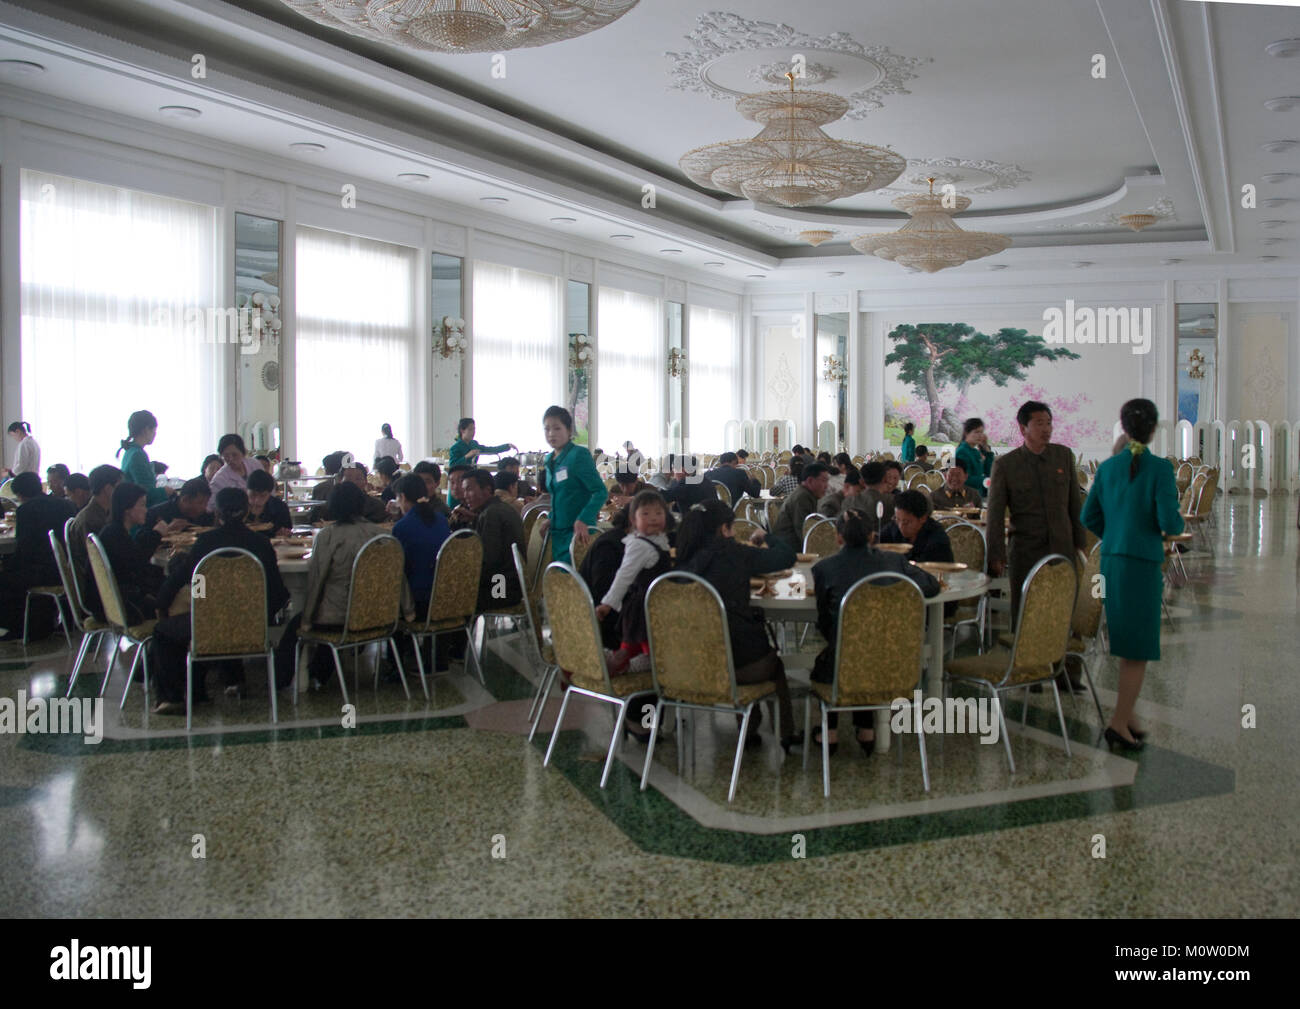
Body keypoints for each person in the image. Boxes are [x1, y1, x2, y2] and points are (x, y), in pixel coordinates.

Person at [1081, 399, 1184, 751]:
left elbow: (1088, 516)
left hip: (1112, 561)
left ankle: (1130, 716)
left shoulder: (1109, 468)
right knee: (1136, 649)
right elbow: (1170, 522)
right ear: (1153, 430)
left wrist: (1115, 534)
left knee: (1126, 641)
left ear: (1123, 428)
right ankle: (1118, 723)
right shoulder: (1159, 469)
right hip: (1141, 563)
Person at [151, 487, 291, 713]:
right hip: (252, 626)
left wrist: (163, 604)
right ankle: (234, 680)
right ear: (246, 512)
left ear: (217, 513)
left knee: (164, 631)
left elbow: (180, 579)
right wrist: (262, 612)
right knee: (227, 612)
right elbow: (278, 594)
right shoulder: (261, 544)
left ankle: (173, 697)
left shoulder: (205, 542)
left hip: (209, 624)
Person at [676, 500, 802, 752]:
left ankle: (749, 727)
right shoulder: (736, 554)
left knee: (736, 643)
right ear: (724, 529)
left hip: (693, 663)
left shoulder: (683, 562)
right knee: (770, 661)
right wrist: (767, 536)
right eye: (732, 528)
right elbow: (786, 557)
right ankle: (785, 734)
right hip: (743, 665)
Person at [810, 510, 939, 752]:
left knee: (840, 652)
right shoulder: (894, 562)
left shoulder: (824, 568)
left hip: (843, 664)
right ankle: (867, 729)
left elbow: (826, 622)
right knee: (871, 647)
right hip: (894, 663)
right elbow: (931, 586)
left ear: (838, 537)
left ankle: (830, 731)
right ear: (873, 536)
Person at [986, 401, 1088, 693]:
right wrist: (996, 555)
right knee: (1026, 611)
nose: (1046, 429)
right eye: (1039, 424)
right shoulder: (1006, 465)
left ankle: (1068, 674)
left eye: (1049, 422)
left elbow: (1073, 504)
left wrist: (1079, 544)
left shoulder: (1063, 456)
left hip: (1062, 548)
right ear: (1023, 428)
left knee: (1065, 610)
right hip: (1026, 550)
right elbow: (995, 514)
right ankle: (1030, 673)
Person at [275, 481, 411, 691]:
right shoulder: (382, 534)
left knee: (299, 624)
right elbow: (398, 578)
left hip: (340, 617)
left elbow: (317, 580)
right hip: (380, 616)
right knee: (327, 616)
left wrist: (307, 619)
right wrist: (407, 612)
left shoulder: (328, 536)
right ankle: (318, 674)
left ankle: (280, 683)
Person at [595, 490, 673, 678]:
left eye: (658, 513)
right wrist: (608, 604)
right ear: (633, 519)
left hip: (650, 605)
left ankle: (616, 660)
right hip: (644, 609)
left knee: (633, 646)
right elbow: (624, 576)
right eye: (645, 514)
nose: (653, 518)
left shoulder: (655, 540)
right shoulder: (639, 545)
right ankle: (624, 666)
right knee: (653, 654)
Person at [0, 472, 78, 639]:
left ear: (20, 494)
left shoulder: (26, 510)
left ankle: (20, 626)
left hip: (42, 573)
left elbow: (25, 550)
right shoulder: (66, 505)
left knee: (6, 578)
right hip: (69, 569)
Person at [539, 405, 605, 565]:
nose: (551, 434)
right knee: (559, 583)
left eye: (557, 428)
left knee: (574, 584)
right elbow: (559, 496)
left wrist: (584, 519)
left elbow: (600, 491)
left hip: (578, 533)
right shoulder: (550, 460)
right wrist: (551, 518)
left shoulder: (578, 455)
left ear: (569, 431)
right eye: (547, 429)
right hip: (557, 533)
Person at [95, 482, 167, 623]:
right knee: (175, 606)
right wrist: (157, 534)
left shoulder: (113, 531)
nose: (146, 510)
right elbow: (137, 564)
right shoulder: (114, 534)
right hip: (120, 607)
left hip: (111, 601)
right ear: (127, 509)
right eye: (142, 505)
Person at [460, 468, 525, 612]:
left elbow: (489, 561)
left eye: (469, 490)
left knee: (456, 598)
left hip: (501, 590)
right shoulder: (499, 509)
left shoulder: (491, 515)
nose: (465, 496)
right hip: (512, 584)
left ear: (487, 489)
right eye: (464, 491)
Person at [390, 474, 451, 618]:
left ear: (403, 497)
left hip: (418, 598)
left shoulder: (402, 527)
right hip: (445, 593)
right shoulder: (441, 520)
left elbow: (399, 567)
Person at [67, 465, 123, 605]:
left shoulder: (104, 512)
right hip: (99, 592)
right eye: (120, 486)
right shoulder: (91, 520)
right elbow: (102, 561)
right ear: (108, 489)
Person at [579, 507, 633, 650]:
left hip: (613, 617)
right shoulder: (609, 545)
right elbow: (603, 588)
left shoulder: (634, 544)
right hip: (601, 624)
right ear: (633, 521)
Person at [879, 490, 954, 563]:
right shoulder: (894, 527)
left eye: (906, 522)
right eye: (897, 519)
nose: (901, 526)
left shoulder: (937, 539)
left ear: (923, 518)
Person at [771, 461, 831, 548]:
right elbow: (804, 532)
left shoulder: (806, 494)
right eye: (824, 481)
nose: (827, 486)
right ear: (810, 481)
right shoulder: (802, 497)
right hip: (788, 548)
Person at [115, 410, 167, 507]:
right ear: (146, 429)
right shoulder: (138, 454)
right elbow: (145, 491)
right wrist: (165, 491)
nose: (154, 434)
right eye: (154, 431)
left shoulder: (129, 451)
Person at [311, 461, 388, 524]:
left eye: (358, 479)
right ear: (340, 481)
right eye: (348, 478)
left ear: (366, 481)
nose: (353, 482)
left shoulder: (376, 506)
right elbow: (315, 522)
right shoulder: (329, 505)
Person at [146, 477, 214, 532]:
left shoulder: (206, 516)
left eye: (206, 503)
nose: (204, 507)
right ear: (185, 499)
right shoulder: (157, 513)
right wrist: (168, 530)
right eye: (200, 503)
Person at [448, 418, 516, 472]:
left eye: (474, 429)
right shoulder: (455, 448)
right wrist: (467, 456)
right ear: (462, 430)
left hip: (472, 474)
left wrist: (507, 446)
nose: (473, 432)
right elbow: (452, 466)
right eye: (470, 429)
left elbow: (489, 450)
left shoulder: (474, 444)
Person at [206, 434, 256, 507]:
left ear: (243, 452)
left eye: (234, 455)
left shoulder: (254, 464)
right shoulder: (219, 479)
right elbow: (212, 506)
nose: (231, 459)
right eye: (226, 456)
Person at [955, 418, 995, 498]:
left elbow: (989, 472)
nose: (980, 435)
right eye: (976, 432)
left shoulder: (975, 451)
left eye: (982, 432)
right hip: (966, 496)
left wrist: (986, 449)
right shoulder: (962, 451)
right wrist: (985, 480)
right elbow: (964, 479)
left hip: (978, 494)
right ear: (966, 433)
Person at [245, 468, 292, 534]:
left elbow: (288, 531)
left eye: (263, 496)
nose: (257, 500)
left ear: (270, 494)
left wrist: (284, 533)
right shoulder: (238, 506)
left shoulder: (280, 507)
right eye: (253, 495)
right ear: (246, 491)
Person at [858, 461, 896, 533]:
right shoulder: (891, 501)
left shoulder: (850, 500)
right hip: (883, 541)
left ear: (862, 481)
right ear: (884, 479)